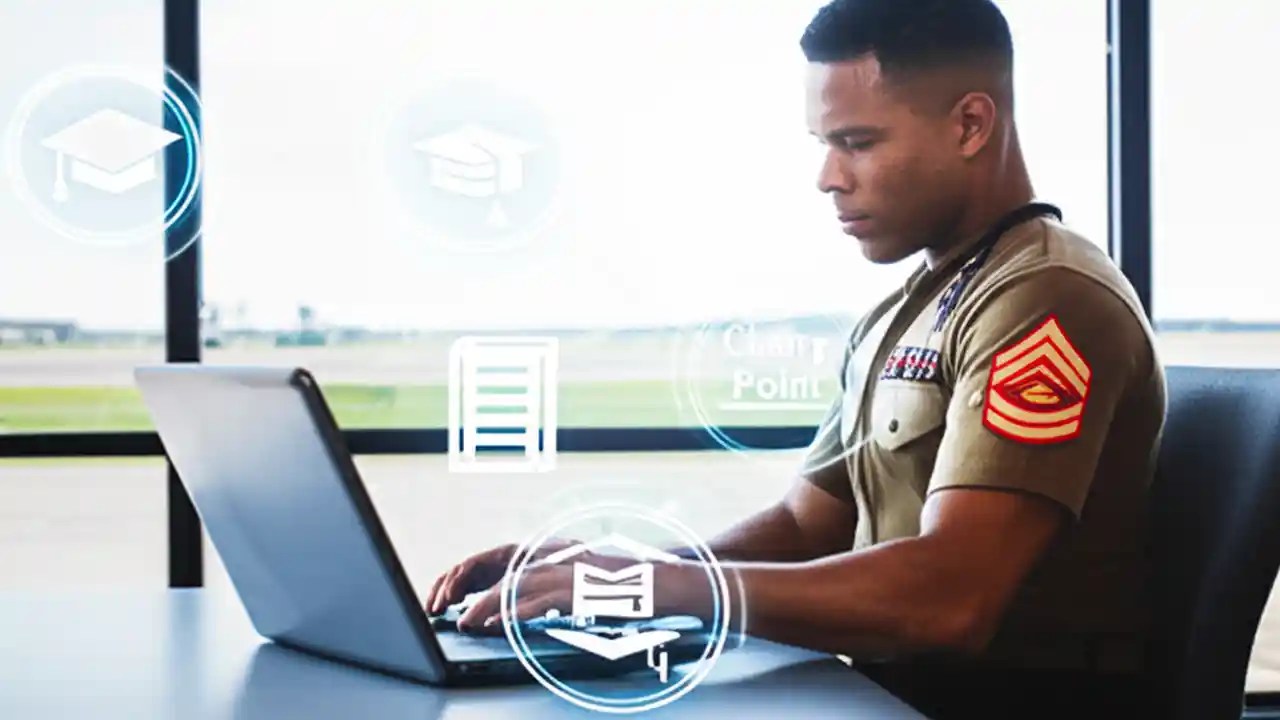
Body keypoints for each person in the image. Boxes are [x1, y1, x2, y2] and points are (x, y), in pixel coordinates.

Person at [426, 1, 1165, 717]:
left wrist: (663, 589)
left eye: (858, 142)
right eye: (824, 143)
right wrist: (615, 573)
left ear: (971, 124)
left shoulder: (1045, 297)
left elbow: (950, 601)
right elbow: (806, 525)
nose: (828, 177)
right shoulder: (909, 307)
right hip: (886, 693)